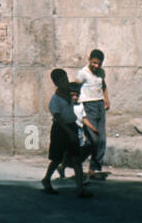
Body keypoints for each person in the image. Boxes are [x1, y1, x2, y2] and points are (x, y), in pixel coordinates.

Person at [42, 69, 92, 198]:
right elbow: (58, 118)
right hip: (61, 129)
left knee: (76, 159)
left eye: (65, 79)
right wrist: (70, 133)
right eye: (62, 81)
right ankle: (47, 179)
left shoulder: (68, 94)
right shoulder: (55, 99)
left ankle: (80, 188)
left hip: (72, 126)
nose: (65, 82)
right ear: (56, 83)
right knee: (57, 159)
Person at [77, 48, 109, 180]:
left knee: (101, 139)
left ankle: (94, 169)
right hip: (88, 106)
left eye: (99, 64)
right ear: (89, 60)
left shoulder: (101, 72)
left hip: (99, 105)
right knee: (92, 140)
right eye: (94, 63)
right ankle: (73, 161)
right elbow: (75, 88)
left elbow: (103, 86)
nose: (96, 66)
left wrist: (106, 99)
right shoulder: (82, 73)